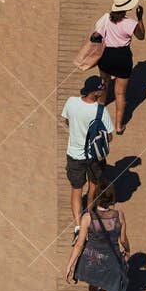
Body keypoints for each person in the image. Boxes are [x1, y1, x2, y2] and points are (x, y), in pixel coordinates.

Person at [65, 181, 130, 291]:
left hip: (92, 261)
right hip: (112, 262)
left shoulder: (88, 218)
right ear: (111, 199)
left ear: (96, 197)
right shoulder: (119, 216)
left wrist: (69, 266)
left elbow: (79, 245)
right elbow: (123, 240)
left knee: (93, 288)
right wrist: (128, 250)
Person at [61, 75, 113, 241]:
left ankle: (78, 226)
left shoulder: (71, 102)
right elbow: (109, 136)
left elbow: (67, 121)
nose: (103, 90)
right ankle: (88, 218)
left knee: (77, 189)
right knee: (93, 186)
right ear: (95, 92)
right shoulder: (101, 111)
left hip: (74, 154)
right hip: (94, 157)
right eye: (101, 88)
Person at [95, 0, 144, 135]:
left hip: (106, 55)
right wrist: (140, 18)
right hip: (123, 57)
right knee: (120, 93)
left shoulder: (105, 18)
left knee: (104, 83)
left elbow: (97, 33)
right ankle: (118, 126)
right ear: (128, 8)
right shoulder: (130, 23)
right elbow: (141, 36)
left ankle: (99, 114)